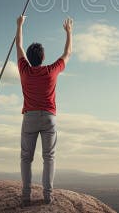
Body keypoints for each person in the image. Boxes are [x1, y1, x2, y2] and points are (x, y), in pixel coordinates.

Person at [15, 14, 72, 206]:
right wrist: (69, 33)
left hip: (30, 117)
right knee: (49, 157)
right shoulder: (51, 71)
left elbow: (19, 46)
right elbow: (67, 54)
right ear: (43, 57)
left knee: (26, 157)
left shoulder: (24, 70)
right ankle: (48, 196)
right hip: (49, 117)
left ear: (29, 59)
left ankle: (26, 195)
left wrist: (20, 25)